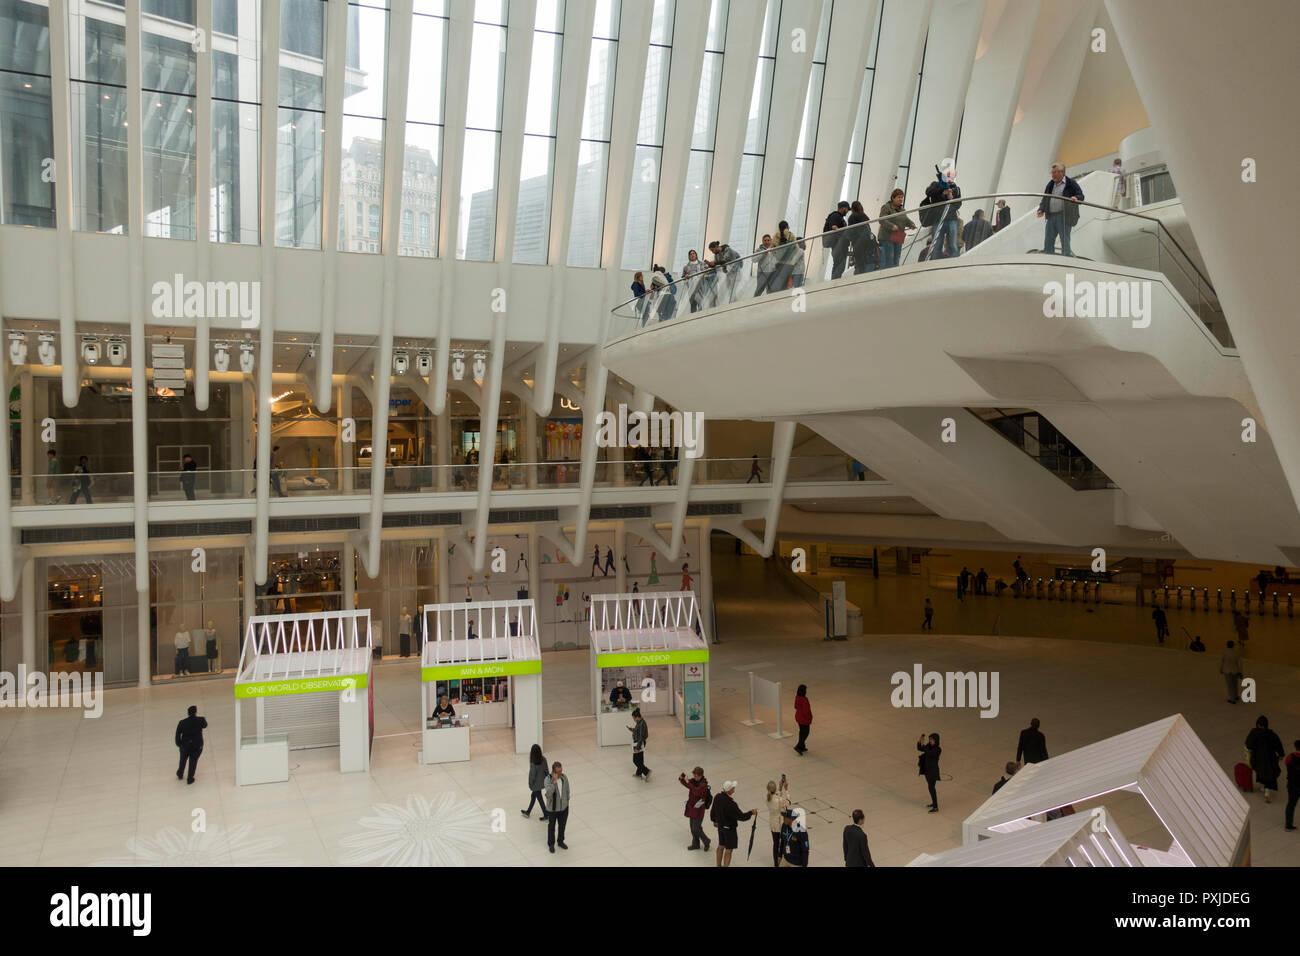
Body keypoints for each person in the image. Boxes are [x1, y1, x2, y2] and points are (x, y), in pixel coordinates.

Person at [1036, 162, 1085, 256]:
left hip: (1064, 216)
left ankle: (1066, 260)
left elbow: (1081, 195)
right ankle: (1049, 257)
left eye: (1055, 172)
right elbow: (1045, 198)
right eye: (1052, 173)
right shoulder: (1050, 184)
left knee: (1064, 239)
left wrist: (1076, 198)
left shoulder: (1071, 183)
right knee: (1048, 239)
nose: (1053, 175)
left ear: (1062, 172)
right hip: (1051, 217)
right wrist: (1041, 209)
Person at [709, 781, 756, 868]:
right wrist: (751, 812)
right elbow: (741, 817)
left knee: (721, 845)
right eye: (733, 788)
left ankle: (718, 865)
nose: (734, 789)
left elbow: (713, 810)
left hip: (720, 826)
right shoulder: (731, 804)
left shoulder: (717, 797)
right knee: (729, 849)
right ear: (729, 790)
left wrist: (714, 820)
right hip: (729, 829)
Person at [1246, 716, 1285, 803]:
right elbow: (1278, 745)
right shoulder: (1272, 735)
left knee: (1261, 772)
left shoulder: (1254, 733)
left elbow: (1248, 745)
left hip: (1258, 758)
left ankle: (1264, 787)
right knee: (1269, 774)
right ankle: (1267, 790)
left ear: (1258, 724)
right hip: (1270, 758)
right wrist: (1281, 754)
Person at [877, 189, 915, 269]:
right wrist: (891, 226)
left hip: (898, 236)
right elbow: (882, 219)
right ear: (893, 198)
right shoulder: (886, 207)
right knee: (889, 258)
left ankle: (894, 275)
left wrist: (911, 224)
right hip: (887, 237)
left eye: (902, 197)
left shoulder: (902, 209)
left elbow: (905, 220)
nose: (901, 199)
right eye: (899, 197)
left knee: (896, 258)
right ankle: (888, 276)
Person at [679, 767, 712, 851]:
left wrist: (688, 783)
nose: (694, 777)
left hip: (699, 807)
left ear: (700, 775)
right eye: (693, 775)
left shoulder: (703, 785)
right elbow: (688, 784)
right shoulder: (694, 781)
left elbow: (696, 791)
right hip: (692, 806)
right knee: (692, 827)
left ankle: (706, 841)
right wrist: (682, 779)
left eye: (695, 776)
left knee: (696, 828)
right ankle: (696, 844)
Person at [175, 704, 207, 784]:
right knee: (193, 761)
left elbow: (178, 734)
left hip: (185, 745)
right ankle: (190, 778)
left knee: (183, 760)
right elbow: (205, 725)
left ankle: (180, 774)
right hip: (197, 745)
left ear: (188, 713)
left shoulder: (182, 722)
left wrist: (179, 744)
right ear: (196, 712)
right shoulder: (201, 720)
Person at [543, 761, 570, 852]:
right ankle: (551, 844)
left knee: (562, 826)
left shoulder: (564, 777)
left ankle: (560, 841)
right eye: (558, 772)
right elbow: (549, 794)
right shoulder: (548, 779)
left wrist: (566, 801)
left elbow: (567, 790)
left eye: (561, 771)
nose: (560, 773)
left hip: (564, 808)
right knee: (551, 827)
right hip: (553, 809)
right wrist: (554, 782)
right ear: (554, 772)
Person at [766, 777, 792, 867]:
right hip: (780, 823)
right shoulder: (779, 800)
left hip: (772, 824)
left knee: (775, 843)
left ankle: (775, 863)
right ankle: (780, 859)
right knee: (783, 842)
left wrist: (780, 788)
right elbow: (788, 802)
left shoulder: (768, 799)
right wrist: (786, 789)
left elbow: (777, 797)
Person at [822, 200, 851, 279]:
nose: (847, 211)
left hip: (839, 245)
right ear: (842, 208)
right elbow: (834, 227)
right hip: (837, 245)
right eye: (847, 209)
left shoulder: (840, 217)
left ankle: (835, 281)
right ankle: (834, 282)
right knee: (839, 266)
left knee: (840, 266)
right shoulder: (835, 215)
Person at [847, 201, 878, 274]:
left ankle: (859, 277)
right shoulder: (864, 216)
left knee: (859, 262)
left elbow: (851, 231)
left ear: (852, 209)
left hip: (858, 242)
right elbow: (868, 229)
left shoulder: (852, 217)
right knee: (866, 260)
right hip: (867, 242)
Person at [767, 222, 799, 293]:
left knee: (778, 280)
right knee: (785, 282)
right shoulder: (792, 235)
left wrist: (776, 255)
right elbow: (797, 249)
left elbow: (771, 248)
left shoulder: (776, 235)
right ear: (787, 226)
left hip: (779, 263)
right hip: (789, 263)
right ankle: (783, 296)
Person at [521, 744, 550, 820]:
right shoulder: (544, 759)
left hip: (535, 785)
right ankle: (528, 812)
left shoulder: (533, 763)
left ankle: (546, 815)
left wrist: (530, 785)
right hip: (542, 783)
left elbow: (532, 776)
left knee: (540, 799)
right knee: (533, 796)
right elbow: (547, 771)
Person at [917, 733, 941, 811]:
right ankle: (934, 803)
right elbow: (919, 748)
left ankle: (935, 807)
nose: (930, 741)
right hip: (927, 770)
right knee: (931, 788)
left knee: (931, 788)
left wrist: (925, 747)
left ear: (936, 741)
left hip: (933, 772)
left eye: (932, 740)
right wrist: (920, 741)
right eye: (930, 739)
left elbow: (930, 754)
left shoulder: (938, 749)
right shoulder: (928, 746)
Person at [629, 707, 651, 780]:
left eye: (634, 719)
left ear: (637, 717)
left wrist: (638, 748)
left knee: (635, 760)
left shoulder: (641, 724)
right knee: (640, 759)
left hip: (639, 743)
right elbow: (638, 732)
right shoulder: (640, 722)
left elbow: (641, 736)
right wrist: (633, 730)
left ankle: (646, 771)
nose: (634, 720)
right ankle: (638, 773)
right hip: (639, 743)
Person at [793, 684, 812, 755]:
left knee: (801, 731)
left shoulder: (797, 697)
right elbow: (806, 711)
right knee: (806, 733)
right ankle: (798, 746)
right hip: (804, 719)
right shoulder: (804, 700)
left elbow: (795, 706)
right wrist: (810, 718)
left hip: (798, 717)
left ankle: (802, 746)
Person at [1285, 739, 1299, 831]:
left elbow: (1287, 765)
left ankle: (1288, 825)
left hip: (1292, 784)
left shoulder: (1290, 757)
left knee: (1291, 804)